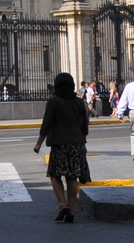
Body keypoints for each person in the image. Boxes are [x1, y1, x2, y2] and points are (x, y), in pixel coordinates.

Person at [34, 72, 91, 223]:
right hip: (76, 144)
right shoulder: (79, 102)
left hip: (59, 144)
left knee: (55, 174)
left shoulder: (54, 101)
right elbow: (84, 126)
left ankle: (62, 204)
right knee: (72, 176)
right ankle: (71, 209)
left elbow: (46, 124)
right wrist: (82, 141)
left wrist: (39, 143)